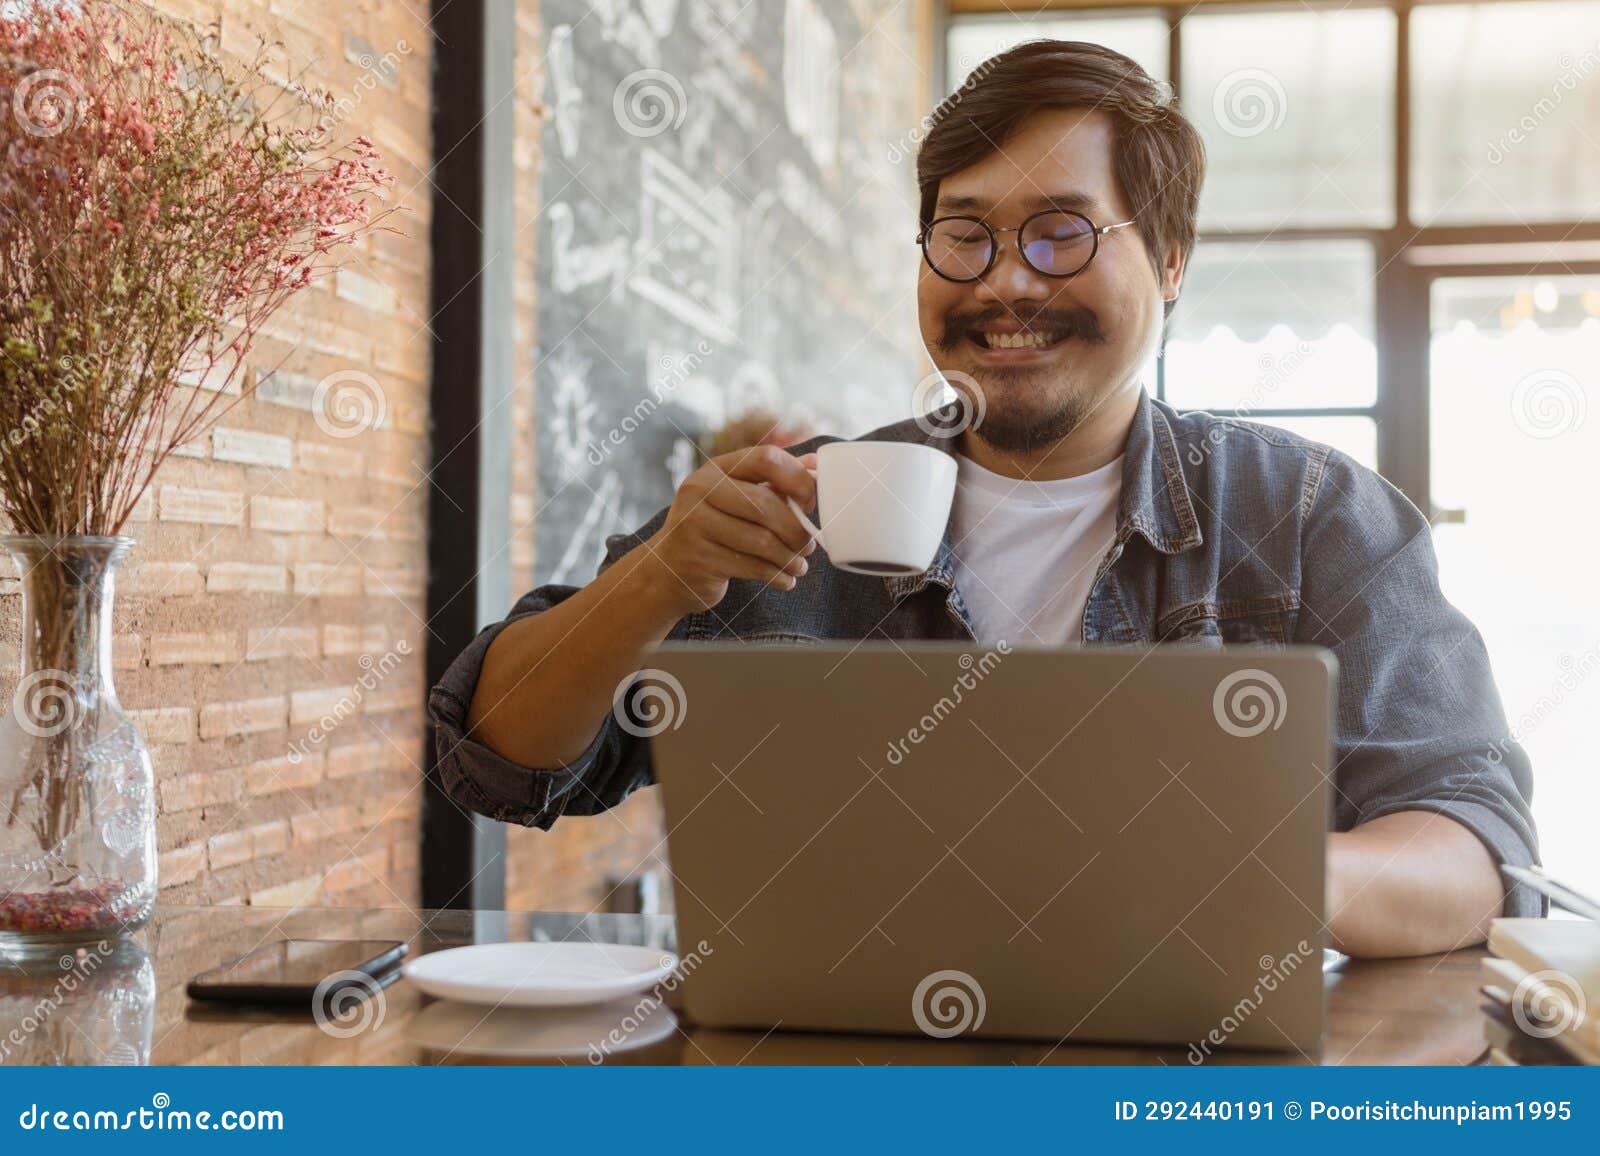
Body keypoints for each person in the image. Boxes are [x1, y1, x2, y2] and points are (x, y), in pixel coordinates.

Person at [429, 40, 1540, 958]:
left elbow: (1474, 850)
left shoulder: (1308, 517)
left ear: (1169, 261)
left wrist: (1227, 877)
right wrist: (659, 574)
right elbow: (496, 755)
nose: (1006, 281)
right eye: (965, 235)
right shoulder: (790, 504)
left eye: (1062, 232)